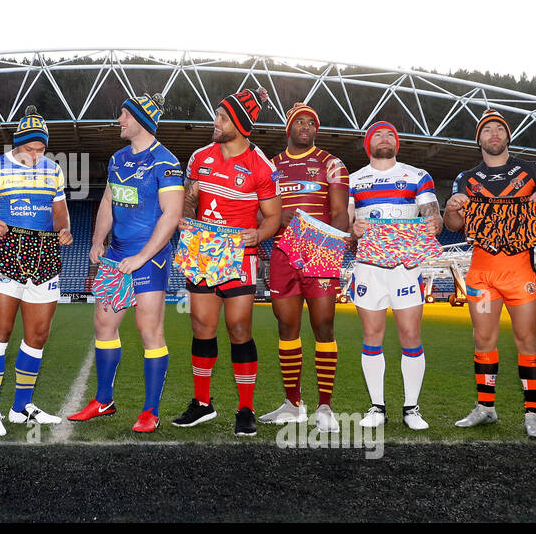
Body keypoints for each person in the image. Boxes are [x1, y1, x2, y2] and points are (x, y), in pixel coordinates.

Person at [443, 109, 536, 439]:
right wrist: (451, 208)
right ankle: (486, 408)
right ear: (479, 140)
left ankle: (533, 414)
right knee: (483, 339)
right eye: (487, 130)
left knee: (527, 339)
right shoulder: (465, 178)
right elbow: (453, 226)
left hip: (520, 271)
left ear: (508, 135)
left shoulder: (534, 170)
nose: (494, 134)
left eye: (500, 128)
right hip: (482, 273)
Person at [172, 89, 281, 436]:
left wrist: (259, 235)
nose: (214, 122)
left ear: (239, 124)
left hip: (239, 253)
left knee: (239, 329)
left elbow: (273, 217)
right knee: (202, 326)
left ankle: (245, 408)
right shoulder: (199, 156)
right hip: (203, 249)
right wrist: (187, 216)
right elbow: (189, 197)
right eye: (216, 115)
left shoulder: (261, 166)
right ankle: (202, 404)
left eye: (221, 117)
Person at [72, 95, 183, 433]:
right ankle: (103, 400)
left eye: (124, 115)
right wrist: (96, 239)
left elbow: (172, 215)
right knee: (104, 325)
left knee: (149, 330)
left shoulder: (166, 162)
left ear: (141, 121)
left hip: (149, 258)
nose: (119, 119)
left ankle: (150, 411)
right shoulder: (118, 159)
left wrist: (141, 257)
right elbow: (108, 199)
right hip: (116, 255)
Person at [0, 105, 73, 437]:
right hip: (9, 257)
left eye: (41, 149)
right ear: (17, 144)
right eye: (30, 149)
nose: (36, 155)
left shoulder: (53, 170)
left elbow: (61, 215)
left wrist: (65, 230)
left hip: (45, 256)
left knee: (37, 336)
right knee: (0, 334)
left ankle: (20, 406)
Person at [261, 103, 350, 432]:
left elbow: (340, 212)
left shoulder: (331, 163)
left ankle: (325, 406)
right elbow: (261, 214)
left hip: (320, 249)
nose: (306, 127)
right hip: (284, 252)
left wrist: (334, 250)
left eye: (311, 123)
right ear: (289, 128)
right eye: (299, 122)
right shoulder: (271, 166)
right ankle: (293, 404)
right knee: (287, 328)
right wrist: (275, 219)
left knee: (324, 325)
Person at [347, 122, 441, 430]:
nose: (385, 138)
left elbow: (433, 218)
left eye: (391, 134)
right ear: (368, 143)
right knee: (372, 336)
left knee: (410, 336)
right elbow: (346, 229)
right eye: (378, 134)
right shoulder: (354, 180)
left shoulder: (417, 176)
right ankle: (377, 407)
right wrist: (352, 230)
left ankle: (411, 408)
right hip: (368, 268)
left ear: (397, 143)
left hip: (406, 268)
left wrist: (432, 223)